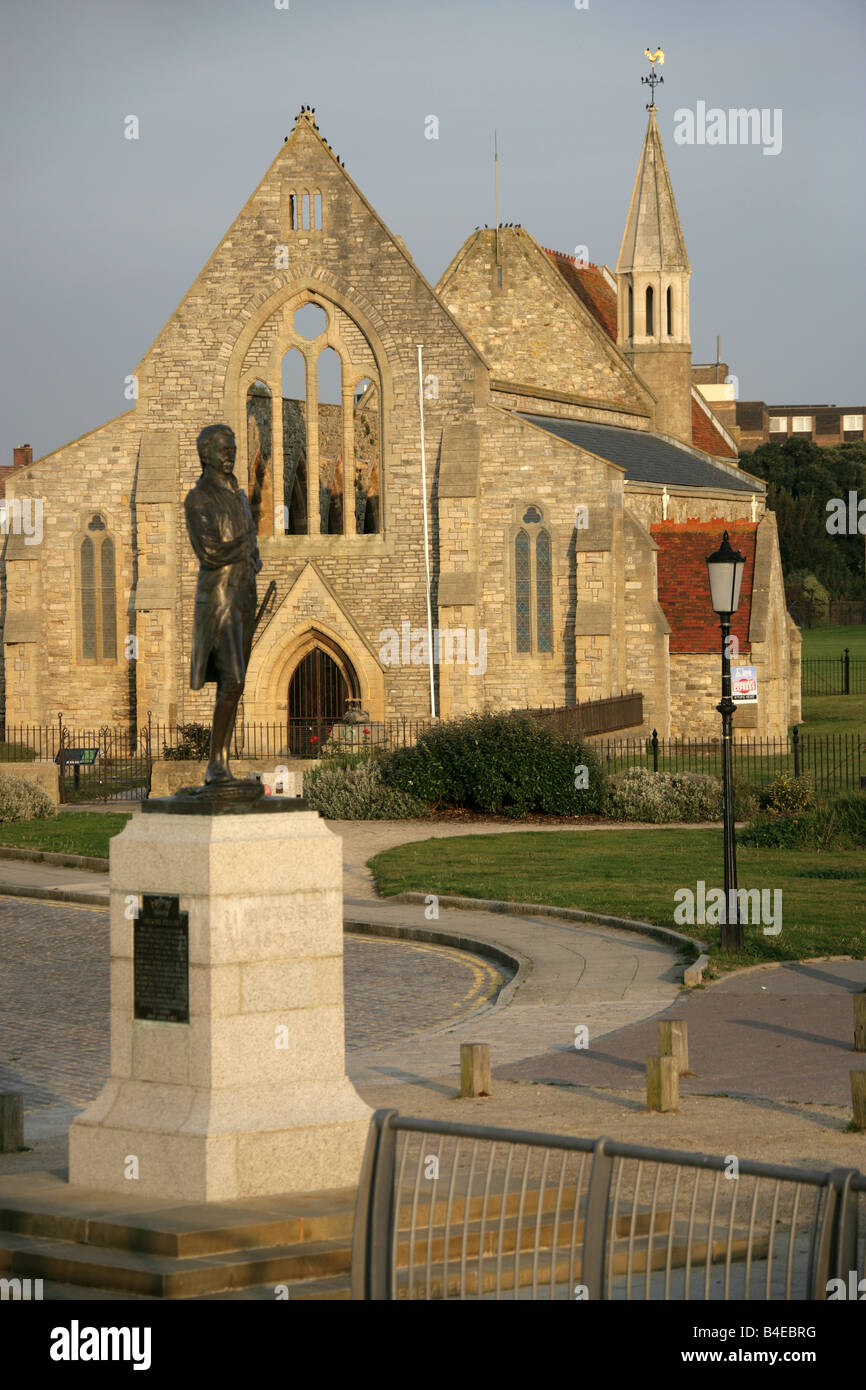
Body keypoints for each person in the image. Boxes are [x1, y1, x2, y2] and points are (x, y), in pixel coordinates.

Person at [184, 424, 262, 784]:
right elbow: (211, 552)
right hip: (219, 599)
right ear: (206, 454)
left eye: (232, 448)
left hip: (244, 594)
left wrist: (254, 555)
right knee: (232, 680)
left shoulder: (239, 496)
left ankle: (223, 764)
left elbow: (250, 543)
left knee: (238, 683)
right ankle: (216, 765)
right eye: (223, 449)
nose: (229, 454)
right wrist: (246, 546)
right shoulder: (198, 498)